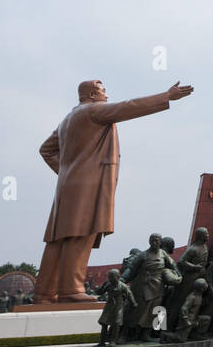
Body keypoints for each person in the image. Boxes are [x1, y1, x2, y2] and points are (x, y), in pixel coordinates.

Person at [36, 79, 193, 302]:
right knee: (80, 234)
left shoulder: (66, 121)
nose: (106, 95)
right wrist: (166, 96)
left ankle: (43, 293)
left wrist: (67, 173)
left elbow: (46, 150)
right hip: (87, 185)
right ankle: (71, 290)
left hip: (68, 187)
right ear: (91, 94)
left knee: (58, 239)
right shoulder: (93, 111)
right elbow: (129, 106)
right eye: (102, 91)